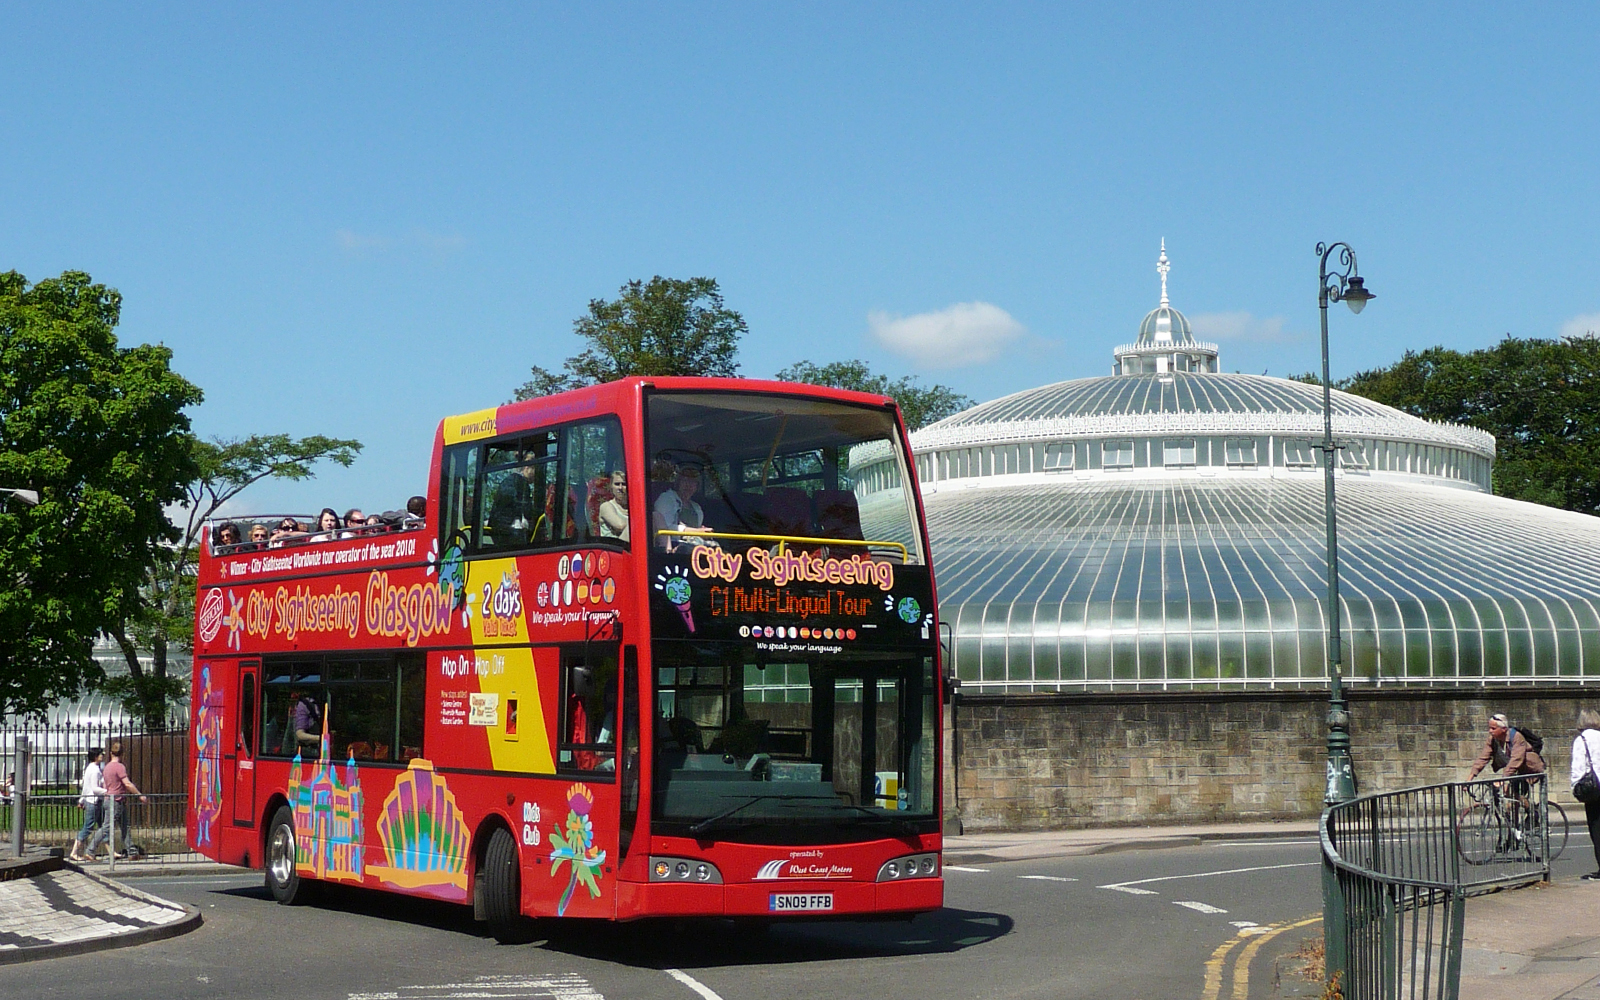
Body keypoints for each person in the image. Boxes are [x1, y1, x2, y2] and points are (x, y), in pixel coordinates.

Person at [90, 742, 146, 859]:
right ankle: (90, 850)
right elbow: (127, 783)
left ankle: (132, 852)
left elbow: (105, 784)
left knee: (125, 826)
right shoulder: (120, 767)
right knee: (106, 827)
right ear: (122, 754)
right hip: (116, 801)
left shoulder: (106, 767)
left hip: (110, 799)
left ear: (111, 753)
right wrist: (139, 795)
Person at [652, 464, 712, 550]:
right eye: (685, 481)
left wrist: (703, 532)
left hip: (696, 546)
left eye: (693, 482)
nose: (688, 485)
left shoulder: (697, 507)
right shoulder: (666, 498)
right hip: (675, 548)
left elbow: (697, 532)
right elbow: (665, 527)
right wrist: (696, 532)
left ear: (697, 486)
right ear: (678, 482)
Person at [1572, 708, 1600, 881]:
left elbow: (1578, 766)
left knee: (1597, 828)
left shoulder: (1581, 740)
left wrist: (1576, 786)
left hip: (1594, 788)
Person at [69, 748, 105, 862]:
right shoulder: (95, 770)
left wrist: (81, 800)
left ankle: (111, 851)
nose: (102, 756)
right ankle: (74, 852)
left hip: (91, 800)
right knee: (88, 827)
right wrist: (108, 791)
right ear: (95, 756)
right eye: (100, 754)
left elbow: (85, 787)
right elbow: (94, 788)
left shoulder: (89, 768)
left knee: (103, 826)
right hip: (94, 801)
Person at [597, 469, 630, 542]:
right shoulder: (606, 506)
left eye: (623, 484)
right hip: (613, 548)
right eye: (617, 484)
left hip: (633, 546)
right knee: (633, 526)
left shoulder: (633, 508)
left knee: (655, 516)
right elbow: (620, 525)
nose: (620, 488)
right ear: (611, 486)